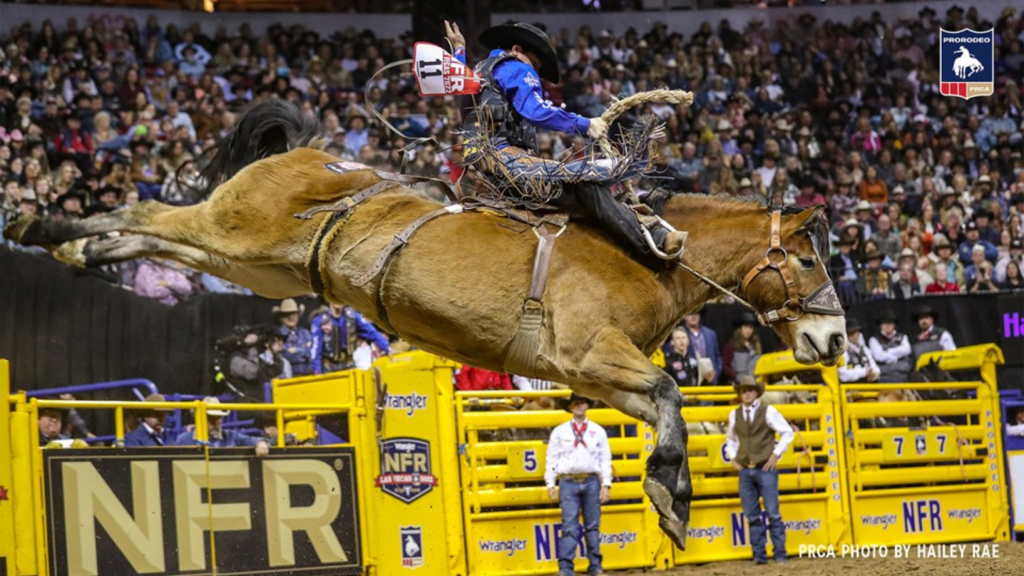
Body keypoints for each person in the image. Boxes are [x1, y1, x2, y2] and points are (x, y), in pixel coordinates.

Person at [447, 20, 686, 268]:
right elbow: (536, 111)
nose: (535, 73)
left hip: (484, 166)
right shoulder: (517, 68)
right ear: (517, 49)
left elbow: (462, 91)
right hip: (508, 164)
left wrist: (459, 53)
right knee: (591, 183)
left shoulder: (479, 70)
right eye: (536, 64)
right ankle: (653, 244)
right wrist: (585, 124)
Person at [724, 375, 793, 565]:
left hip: (764, 467)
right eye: (744, 390)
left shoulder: (768, 411)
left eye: (750, 390)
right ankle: (760, 555)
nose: (747, 393)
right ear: (740, 393)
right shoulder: (734, 414)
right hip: (746, 469)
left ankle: (780, 554)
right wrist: (733, 457)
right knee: (752, 515)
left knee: (772, 513)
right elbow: (730, 439)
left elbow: (788, 432)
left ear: (755, 393)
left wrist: (775, 454)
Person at [544, 393, 611, 576]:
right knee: (569, 527)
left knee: (592, 526)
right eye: (576, 403)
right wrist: (551, 483)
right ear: (571, 407)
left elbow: (605, 458)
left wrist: (606, 484)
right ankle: (566, 568)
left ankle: (595, 565)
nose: (579, 406)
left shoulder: (598, 431)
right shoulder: (560, 431)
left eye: (582, 403)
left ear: (587, 406)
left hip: (591, 480)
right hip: (568, 481)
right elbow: (552, 457)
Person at [310, 303, 391, 373]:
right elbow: (315, 349)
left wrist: (387, 348)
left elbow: (371, 332)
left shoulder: (353, 316)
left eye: (339, 297)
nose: (336, 301)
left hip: (348, 364)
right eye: (333, 297)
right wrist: (318, 372)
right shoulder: (320, 320)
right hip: (328, 366)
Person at [175, 397, 270, 455]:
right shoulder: (184, 440)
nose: (216, 422)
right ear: (199, 418)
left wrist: (261, 443)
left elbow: (253, 440)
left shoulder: (230, 436)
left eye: (218, 417)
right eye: (211, 418)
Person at [868, 311, 913, 383]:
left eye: (890, 322)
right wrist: (896, 357)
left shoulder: (902, 336)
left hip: (903, 376)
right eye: (885, 322)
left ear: (894, 324)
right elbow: (879, 356)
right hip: (884, 377)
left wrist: (888, 351)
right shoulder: (874, 339)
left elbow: (907, 350)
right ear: (880, 325)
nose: (888, 325)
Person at [274, 299, 314, 376]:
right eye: (287, 314)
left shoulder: (305, 333)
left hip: (307, 376)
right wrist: (305, 349)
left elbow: (312, 352)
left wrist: (296, 350)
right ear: (281, 317)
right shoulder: (278, 334)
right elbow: (285, 355)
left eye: (294, 314)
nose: (291, 317)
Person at [721, 312, 762, 385]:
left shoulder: (756, 346)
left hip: (754, 384)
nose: (748, 330)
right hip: (737, 384)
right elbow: (724, 365)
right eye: (746, 327)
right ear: (740, 328)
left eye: (750, 327)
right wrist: (735, 375)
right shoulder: (731, 345)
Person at [681, 313, 721, 384]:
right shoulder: (680, 334)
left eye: (696, 313)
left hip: (710, 380)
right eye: (690, 314)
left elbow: (717, 357)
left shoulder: (710, 334)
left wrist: (715, 373)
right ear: (684, 316)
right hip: (690, 381)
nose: (693, 316)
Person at [838, 319, 880, 383]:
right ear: (847, 335)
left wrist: (874, 374)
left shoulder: (865, 350)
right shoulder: (843, 352)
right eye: (851, 333)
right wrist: (864, 372)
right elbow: (843, 375)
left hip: (868, 385)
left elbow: (874, 367)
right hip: (850, 389)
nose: (855, 336)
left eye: (856, 332)